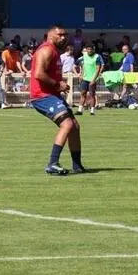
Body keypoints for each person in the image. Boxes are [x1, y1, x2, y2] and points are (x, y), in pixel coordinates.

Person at [29, 25, 84, 176]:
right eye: (60, 35)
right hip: (42, 96)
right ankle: (52, 163)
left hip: (52, 95)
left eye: (65, 35)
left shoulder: (55, 52)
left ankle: (77, 165)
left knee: (75, 126)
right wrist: (57, 84)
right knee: (67, 124)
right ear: (50, 35)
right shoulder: (46, 50)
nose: (64, 38)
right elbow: (39, 74)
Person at [75, 45, 105, 116]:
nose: (89, 51)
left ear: (93, 50)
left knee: (92, 94)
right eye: (88, 49)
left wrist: (94, 80)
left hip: (92, 79)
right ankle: (80, 110)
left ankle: (92, 111)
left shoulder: (97, 57)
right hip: (84, 78)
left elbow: (98, 69)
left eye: (90, 49)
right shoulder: (84, 56)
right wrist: (80, 75)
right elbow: (79, 65)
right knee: (83, 93)